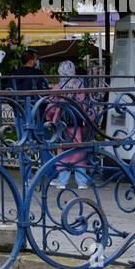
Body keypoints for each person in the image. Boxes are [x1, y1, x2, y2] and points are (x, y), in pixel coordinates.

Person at [46, 60, 91, 189]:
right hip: (76, 121)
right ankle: (81, 181)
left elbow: (52, 106)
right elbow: (84, 104)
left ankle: (62, 181)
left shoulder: (58, 87)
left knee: (62, 149)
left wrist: (49, 117)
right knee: (78, 148)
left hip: (61, 122)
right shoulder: (80, 85)